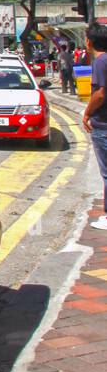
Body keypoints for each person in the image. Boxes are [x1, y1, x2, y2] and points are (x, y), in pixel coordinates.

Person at [83, 27, 107, 232]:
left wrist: (87, 113)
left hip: (103, 125)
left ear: (89, 42)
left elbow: (100, 94)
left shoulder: (100, 61)